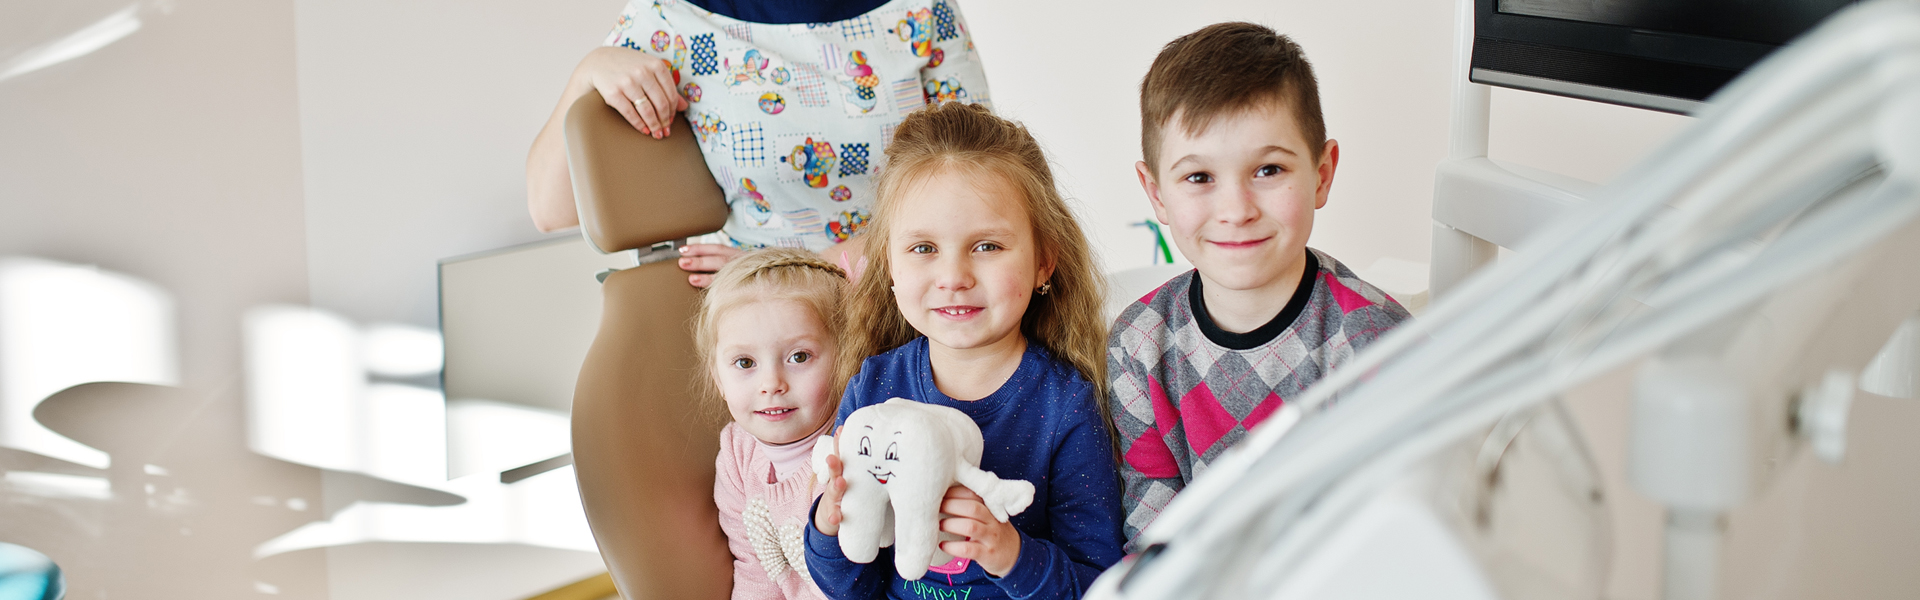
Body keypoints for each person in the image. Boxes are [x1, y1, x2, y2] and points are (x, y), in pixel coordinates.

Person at [1108, 22, 1412, 551]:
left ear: (1321, 174)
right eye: (1199, 177)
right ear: (1156, 194)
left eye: (1268, 170)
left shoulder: (1374, 342)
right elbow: (1151, 524)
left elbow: (1394, 533)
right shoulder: (1138, 343)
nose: (1236, 211)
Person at [804, 102, 1123, 599]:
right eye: (924, 248)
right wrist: (828, 529)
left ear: (1044, 261)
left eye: (987, 246)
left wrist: (1011, 554)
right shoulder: (873, 385)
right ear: (888, 263)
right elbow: (850, 587)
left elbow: (1099, 580)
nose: (954, 278)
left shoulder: (1065, 405)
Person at [525, 0, 993, 287]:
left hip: (908, 294)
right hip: (760, 321)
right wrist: (586, 73)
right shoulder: (668, 16)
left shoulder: (921, 9)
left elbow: (978, 179)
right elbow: (552, 211)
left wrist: (804, 270)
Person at [697, 247, 852, 600]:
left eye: (799, 357)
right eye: (745, 362)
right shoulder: (738, 454)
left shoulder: (850, 450)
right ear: (717, 378)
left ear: (845, 358)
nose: (772, 383)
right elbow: (755, 571)